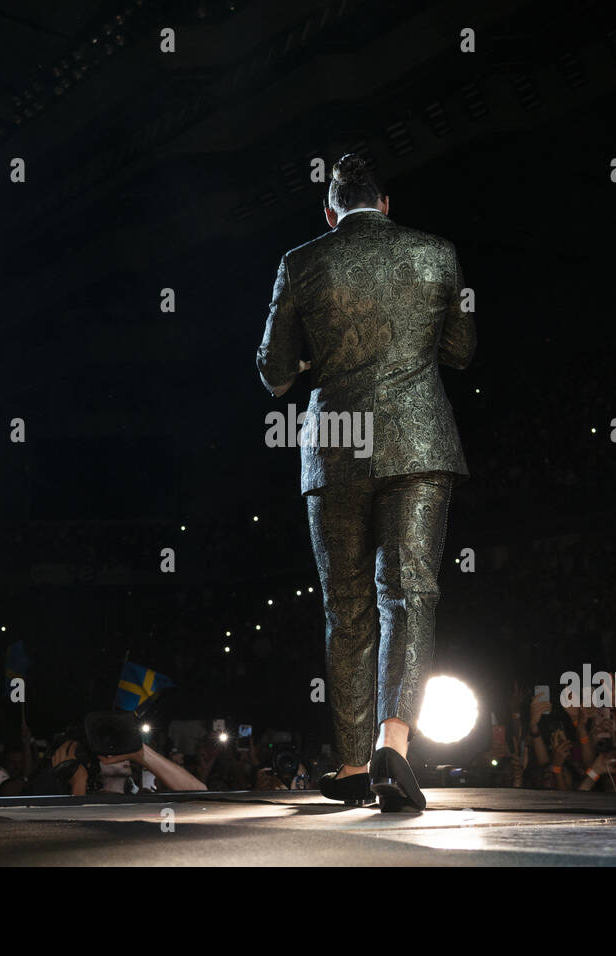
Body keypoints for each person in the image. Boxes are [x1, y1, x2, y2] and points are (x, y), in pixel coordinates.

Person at [256, 152, 476, 812]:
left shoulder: (300, 261)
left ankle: (352, 764)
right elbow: (461, 351)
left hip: (336, 448)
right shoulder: (438, 253)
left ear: (329, 212)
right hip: (419, 442)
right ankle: (392, 747)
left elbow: (271, 372)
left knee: (345, 605)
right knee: (410, 592)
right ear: (385, 204)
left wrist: (308, 355)